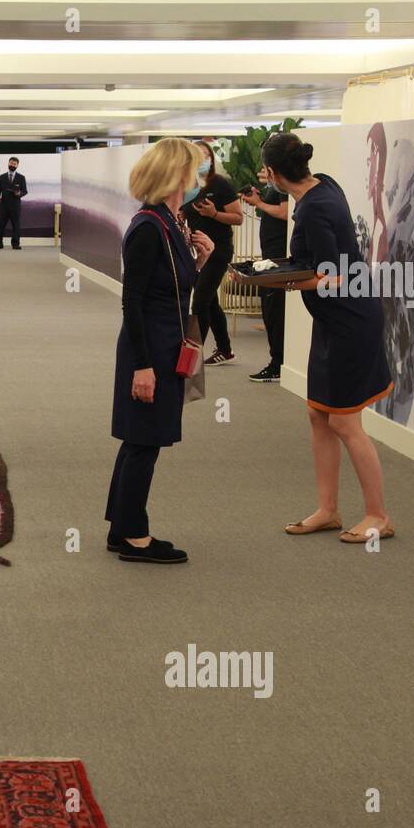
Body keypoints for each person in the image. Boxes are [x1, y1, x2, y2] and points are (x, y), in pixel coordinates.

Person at [252, 131, 394, 544]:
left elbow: (328, 275)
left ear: (275, 174)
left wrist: (277, 282)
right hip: (334, 320)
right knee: (318, 414)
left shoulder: (313, 208)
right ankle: (328, 509)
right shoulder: (324, 184)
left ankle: (378, 516)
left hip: (351, 320)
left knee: (346, 422)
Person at [106, 138, 214, 563]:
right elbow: (131, 300)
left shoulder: (171, 221)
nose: (200, 181)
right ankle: (135, 536)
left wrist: (200, 262)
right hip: (149, 344)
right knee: (144, 440)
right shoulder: (149, 227)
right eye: (195, 172)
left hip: (166, 340)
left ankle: (122, 527)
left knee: (140, 438)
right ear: (177, 175)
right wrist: (143, 366)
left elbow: (171, 285)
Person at [181, 140, 241, 365]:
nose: (203, 160)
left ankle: (191, 357)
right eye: (199, 155)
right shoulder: (188, 185)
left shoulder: (221, 184)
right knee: (210, 301)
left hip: (218, 251)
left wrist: (214, 214)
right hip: (197, 252)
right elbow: (182, 214)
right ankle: (225, 349)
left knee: (199, 302)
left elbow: (238, 218)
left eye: (207, 156)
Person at [241, 166, 289, 381]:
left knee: (274, 311)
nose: (261, 169)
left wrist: (258, 203)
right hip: (270, 255)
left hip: (277, 258)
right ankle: (277, 361)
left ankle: (278, 363)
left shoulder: (283, 185)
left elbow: (285, 213)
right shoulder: (275, 186)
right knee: (270, 311)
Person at [0, 156, 27, 250]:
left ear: (17, 165)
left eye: (14, 164)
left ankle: (15, 244)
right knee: (0, 225)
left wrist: (19, 194)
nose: (12, 165)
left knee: (16, 226)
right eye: (11, 163)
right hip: (4, 206)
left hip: (15, 206)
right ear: (8, 164)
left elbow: (25, 191)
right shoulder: (2, 177)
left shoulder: (21, 177)